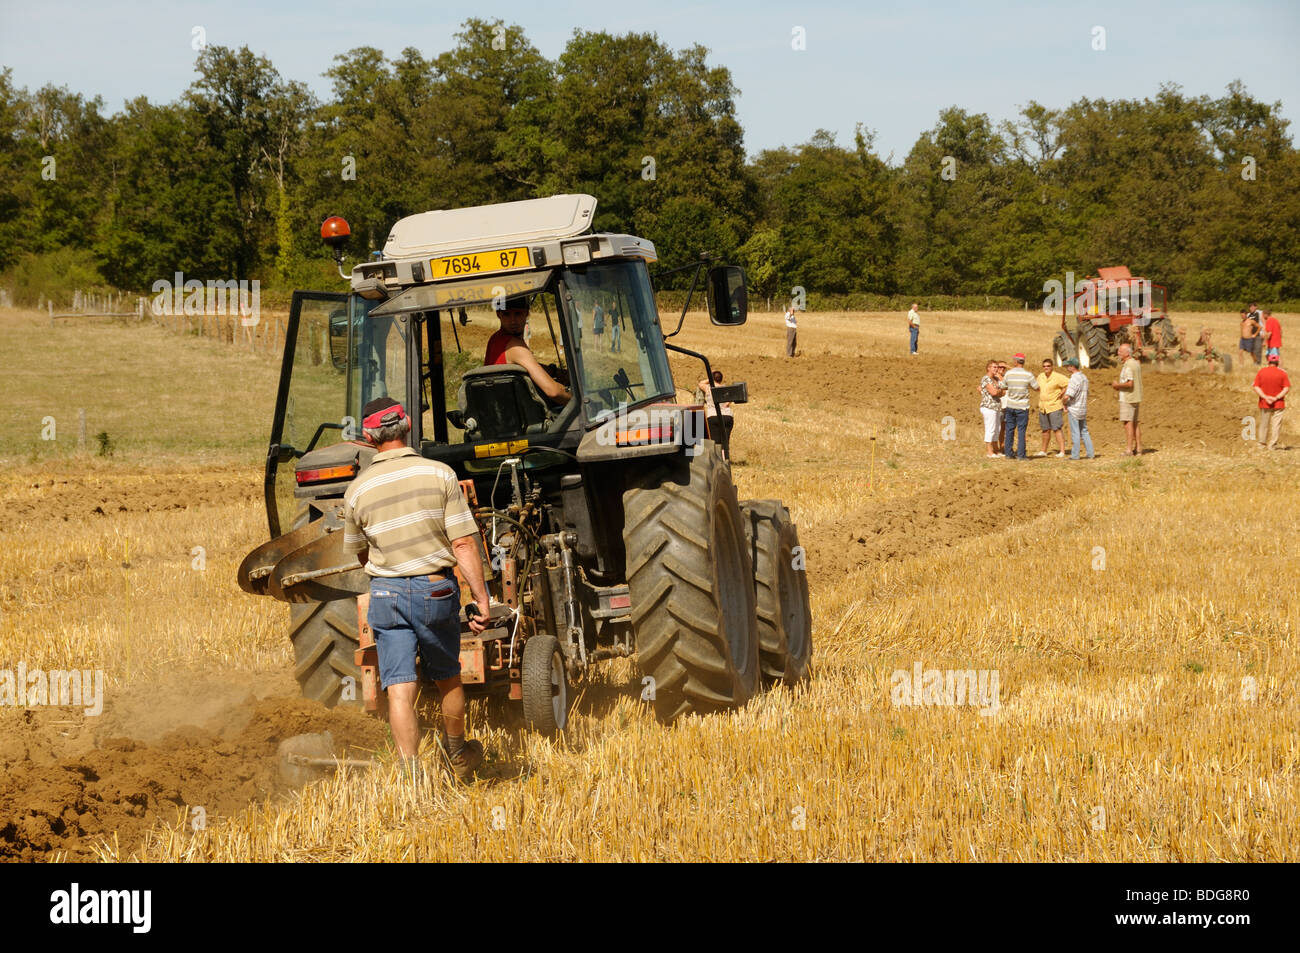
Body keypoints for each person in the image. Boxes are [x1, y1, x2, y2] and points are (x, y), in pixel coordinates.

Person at [342, 398, 492, 782]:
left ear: (368, 437)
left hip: (385, 596)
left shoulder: (357, 491)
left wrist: (389, 573)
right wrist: (481, 598)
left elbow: (361, 553)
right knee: (447, 677)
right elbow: (462, 545)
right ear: (407, 426)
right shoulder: (440, 475)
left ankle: (411, 775)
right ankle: (456, 752)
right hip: (435, 592)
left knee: (399, 686)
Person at [484, 297, 572, 404]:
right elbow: (553, 392)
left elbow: (524, 365)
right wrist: (580, 403)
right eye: (507, 314)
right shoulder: (515, 346)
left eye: (518, 314)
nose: (513, 321)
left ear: (526, 313)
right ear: (498, 314)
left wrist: (554, 371)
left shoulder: (495, 339)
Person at [1000, 353, 1038, 460]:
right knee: (1021, 431)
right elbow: (1036, 387)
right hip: (1022, 407)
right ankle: (1021, 455)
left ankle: (1008, 453)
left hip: (1010, 406)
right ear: (1023, 362)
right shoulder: (1028, 375)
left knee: (1009, 430)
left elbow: (1002, 386)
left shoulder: (1008, 374)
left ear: (1015, 362)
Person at [1252, 354, 1290, 450]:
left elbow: (1256, 386)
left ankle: (1262, 444)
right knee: (1276, 425)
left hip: (1265, 403)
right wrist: (1276, 398)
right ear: (1277, 363)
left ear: (1268, 362)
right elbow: (1286, 388)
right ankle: (1272, 445)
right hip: (1279, 403)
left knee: (1264, 424)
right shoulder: (1282, 373)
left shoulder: (1261, 372)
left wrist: (1265, 397)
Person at [1034, 357, 1071, 457]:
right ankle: (1043, 451)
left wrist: (1063, 392)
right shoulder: (1040, 376)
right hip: (1043, 407)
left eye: (1048, 366)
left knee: (1056, 429)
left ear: (1052, 367)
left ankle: (1062, 451)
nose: (1046, 368)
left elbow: (1069, 383)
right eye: (1044, 366)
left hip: (1054, 406)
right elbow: (1036, 387)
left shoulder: (1058, 377)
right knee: (1045, 430)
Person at [1111, 342, 1143, 455]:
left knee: (1128, 424)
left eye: (1120, 351)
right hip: (1136, 397)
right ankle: (1139, 448)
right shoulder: (1136, 363)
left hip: (1128, 398)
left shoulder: (1129, 365)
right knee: (1135, 423)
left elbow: (1130, 384)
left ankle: (1129, 450)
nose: (1118, 353)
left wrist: (1117, 385)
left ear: (1126, 353)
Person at [1060, 358, 1094, 459]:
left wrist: (1063, 403)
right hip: (1082, 408)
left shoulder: (1074, 378)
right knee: (1084, 431)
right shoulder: (1084, 378)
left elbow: (1068, 396)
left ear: (1072, 367)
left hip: (1074, 409)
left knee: (1075, 432)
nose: (1066, 368)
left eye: (1068, 366)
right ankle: (1091, 453)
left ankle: (1075, 455)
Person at [698, 369, 735, 458]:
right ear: (721, 379)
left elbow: (700, 383)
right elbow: (728, 402)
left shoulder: (708, 388)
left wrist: (710, 377)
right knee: (725, 441)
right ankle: (725, 460)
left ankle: (717, 460)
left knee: (715, 442)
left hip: (713, 416)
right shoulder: (726, 389)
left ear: (712, 379)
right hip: (727, 416)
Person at [979, 360, 1003, 458]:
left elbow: (1004, 391)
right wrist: (999, 391)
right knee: (990, 429)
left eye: (997, 367)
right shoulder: (986, 379)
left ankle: (996, 450)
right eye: (994, 367)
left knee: (997, 429)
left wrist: (999, 390)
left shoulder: (995, 379)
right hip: (989, 407)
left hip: (996, 407)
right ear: (988, 368)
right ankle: (989, 452)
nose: (996, 369)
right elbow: (993, 393)